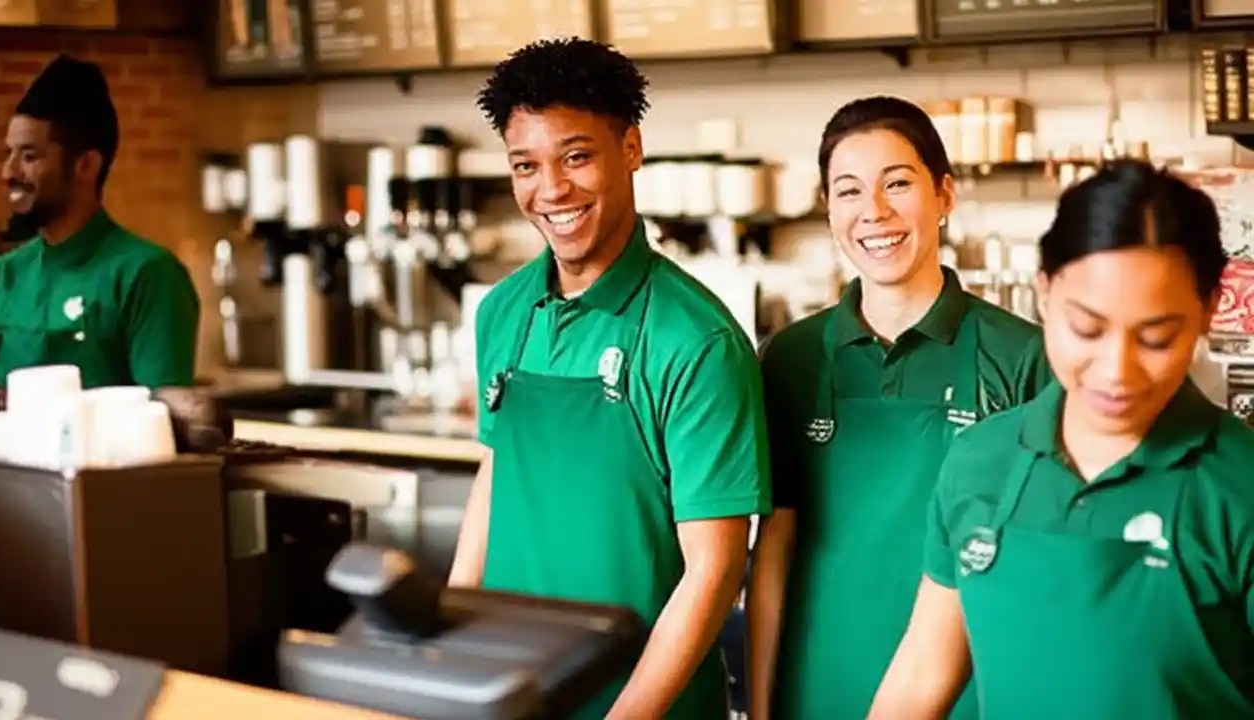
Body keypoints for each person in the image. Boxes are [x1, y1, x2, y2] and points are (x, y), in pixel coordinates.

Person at [447, 38, 771, 719]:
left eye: (576, 156)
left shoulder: (696, 340)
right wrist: (449, 652)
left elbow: (715, 570)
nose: (551, 189)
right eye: (525, 166)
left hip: (642, 703)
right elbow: (496, 472)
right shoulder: (502, 313)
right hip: (510, 691)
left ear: (630, 149)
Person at [870, 161, 1254, 719]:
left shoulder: (1238, 485)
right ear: (1044, 294)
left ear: (1209, 309)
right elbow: (923, 673)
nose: (1116, 371)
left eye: (1156, 338)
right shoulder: (981, 462)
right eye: (1087, 329)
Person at [747, 96, 1050, 720]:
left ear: (943, 195)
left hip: (971, 698)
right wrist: (759, 704)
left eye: (898, 184)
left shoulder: (1025, 359)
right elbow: (772, 549)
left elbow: (1043, 572)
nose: (874, 213)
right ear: (828, 207)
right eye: (849, 191)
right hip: (818, 685)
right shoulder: (791, 359)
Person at [0, 54, 200, 399]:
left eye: (29, 156)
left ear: (86, 165)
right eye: (9, 153)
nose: (8, 173)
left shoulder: (147, 274)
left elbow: (166, 424)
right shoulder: (0, 279)